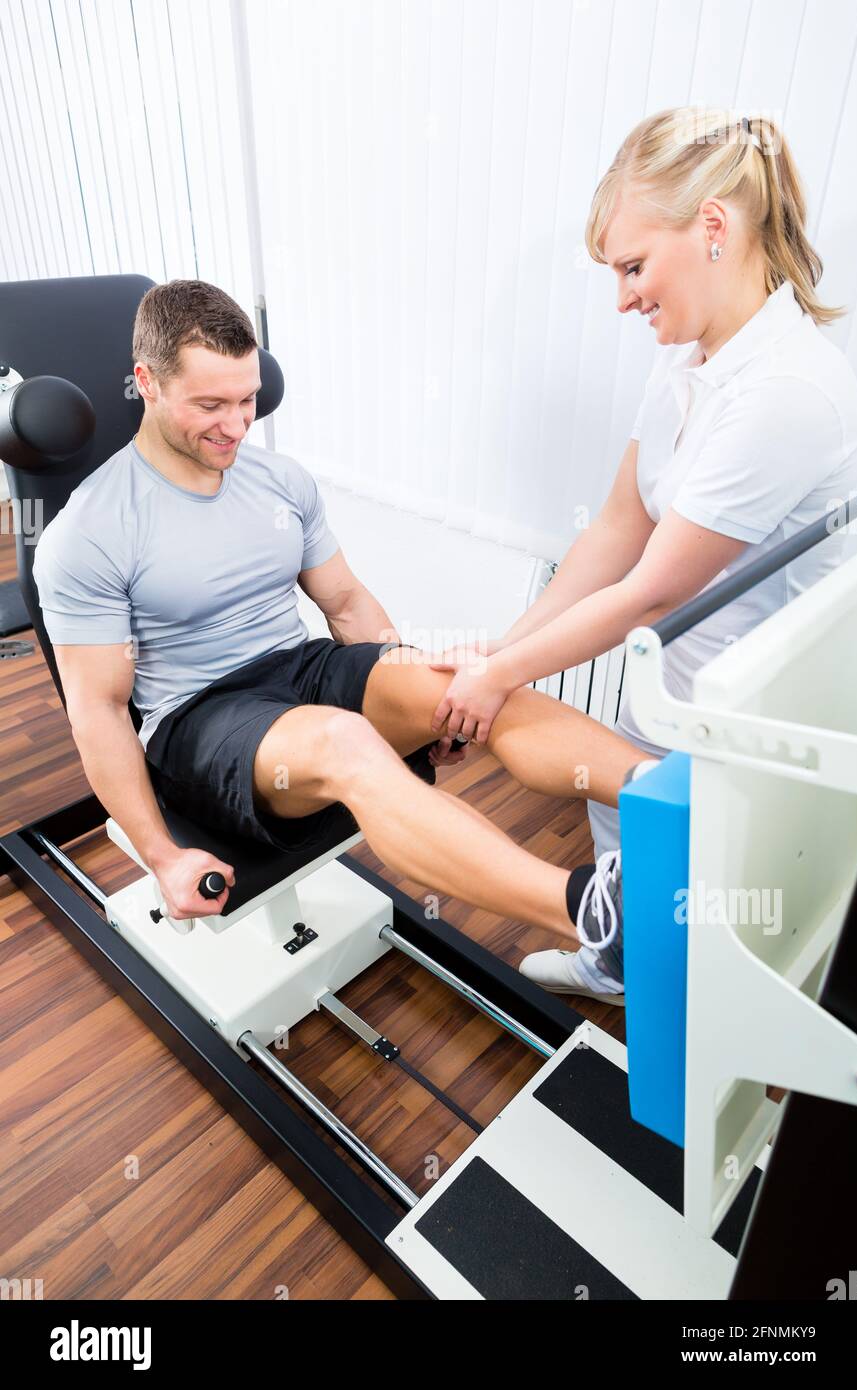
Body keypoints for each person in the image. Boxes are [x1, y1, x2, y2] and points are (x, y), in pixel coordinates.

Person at [32, 278, 655, 996]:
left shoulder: (279, 481)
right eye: (211, 405)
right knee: (344, 742)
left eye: (247, 400)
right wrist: (163, 855)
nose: (236, 426)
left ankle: (677, 797)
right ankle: (599, 919)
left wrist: (416, 696)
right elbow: (100, 710)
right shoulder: (91, 528)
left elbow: (347, 601)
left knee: (468, 684)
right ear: (146, 382)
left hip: (302, 669)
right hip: (200, 722)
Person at [427, 107, 857, 1001]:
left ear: (713, 228)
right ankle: (616, 964)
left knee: (706, 935)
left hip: (751, 722)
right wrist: (501, 652)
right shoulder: (693, 355)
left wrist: (498, 677)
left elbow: (648, 594)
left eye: (632, 267)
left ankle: (689, 1027)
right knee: (628, 852)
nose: (623, 297)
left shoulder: (785, 392)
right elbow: (615, 534)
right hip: (673, 693)